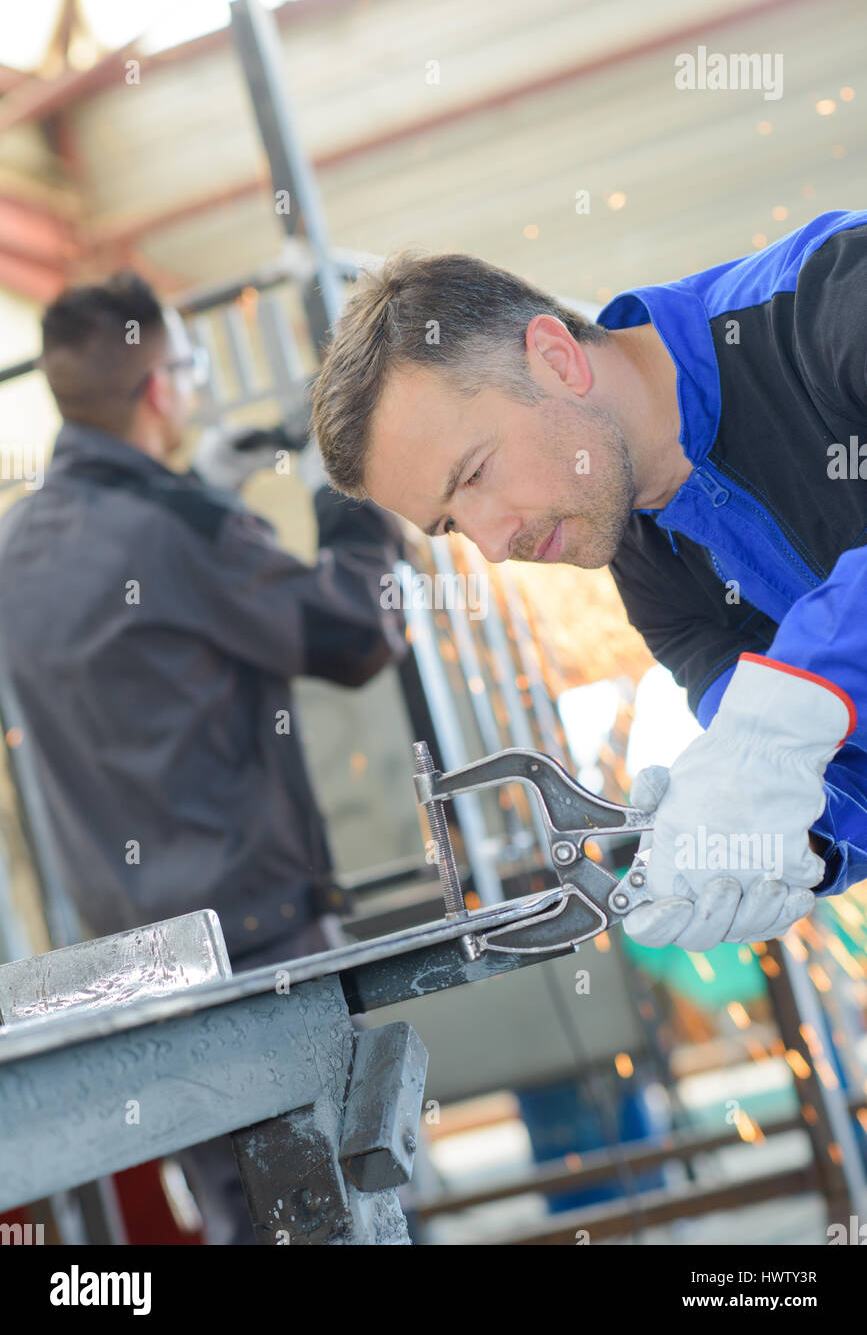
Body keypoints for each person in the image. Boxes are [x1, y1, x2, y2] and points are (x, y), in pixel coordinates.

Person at [310, 210, 867, 957]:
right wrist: (789, 840)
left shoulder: (829, 295)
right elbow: (832, 772)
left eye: (475, 474)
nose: (493, 542)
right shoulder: (649, 569)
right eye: (449, 526)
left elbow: (781, 727)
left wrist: (778, 721)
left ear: (555, 358)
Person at [0, 271, 407, 1242]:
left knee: (240, 1210)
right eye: (188, 362)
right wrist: (343, 487)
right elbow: (353, 632)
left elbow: (149, 629)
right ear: (160, 391)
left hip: (132, 959)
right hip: (256, 936)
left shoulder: (19, 544)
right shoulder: (183, 529)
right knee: (341, 1201)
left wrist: (202, 491)